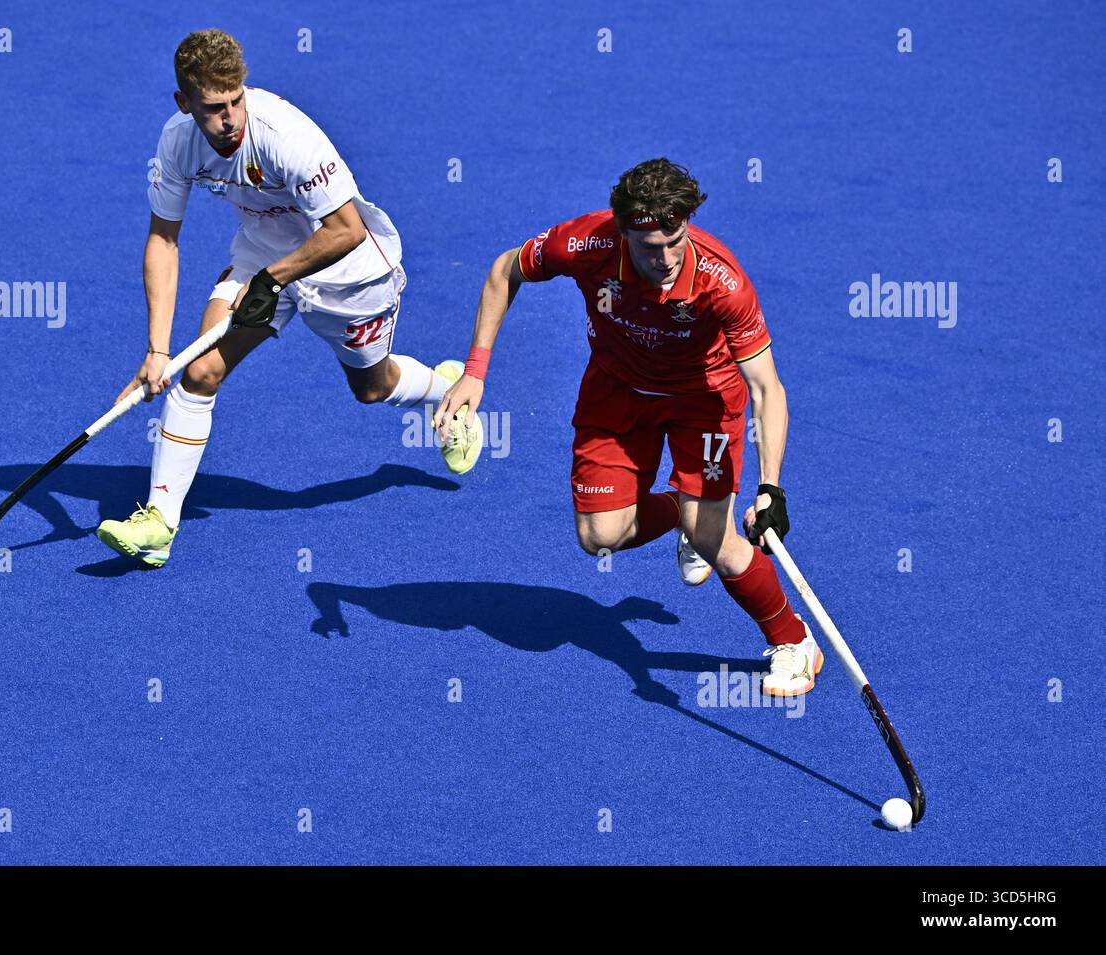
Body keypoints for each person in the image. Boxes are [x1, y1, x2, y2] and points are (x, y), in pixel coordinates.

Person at [434, 159, 822, 696]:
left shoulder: (722, 282)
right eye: (648, 247)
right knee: (600, 537)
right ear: (622, 232)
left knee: (717, 539)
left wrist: (770, 486)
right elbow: (505, 270)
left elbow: (766, 388)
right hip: (616, 392)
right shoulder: (586, 244)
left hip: (701, 402)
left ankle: (794, 641)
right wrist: (476, 370)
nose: (664, 259)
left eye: (675, 242)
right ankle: (688, 512)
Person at [98, 29, 482, 567]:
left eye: (236, 101)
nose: (229, 118)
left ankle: (446, 392)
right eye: (212, 108)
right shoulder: (177, 141)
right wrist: (158, 350)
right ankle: (160, 522)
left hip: (348, 270)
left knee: (372, 389)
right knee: (200, 370)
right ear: (184, 104)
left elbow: (346, 228)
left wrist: (273, 281)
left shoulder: (286, 137)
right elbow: (163, 239)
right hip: (263, 254)